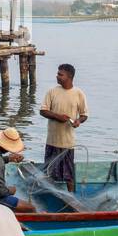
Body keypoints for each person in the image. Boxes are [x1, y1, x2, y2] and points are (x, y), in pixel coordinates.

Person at [39, 63, 88, 191]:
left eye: (60, 74)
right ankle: (48, 192)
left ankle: (71, 196)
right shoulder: (52, 92)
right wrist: (57, 116)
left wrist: (78, 121)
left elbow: (84, 115)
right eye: (57, 73)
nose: (57, 76)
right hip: (52, 140)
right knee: (48, 171)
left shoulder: (78, 94)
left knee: (69, 173)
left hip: (67, 142)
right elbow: (43, 111)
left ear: (69, 77)